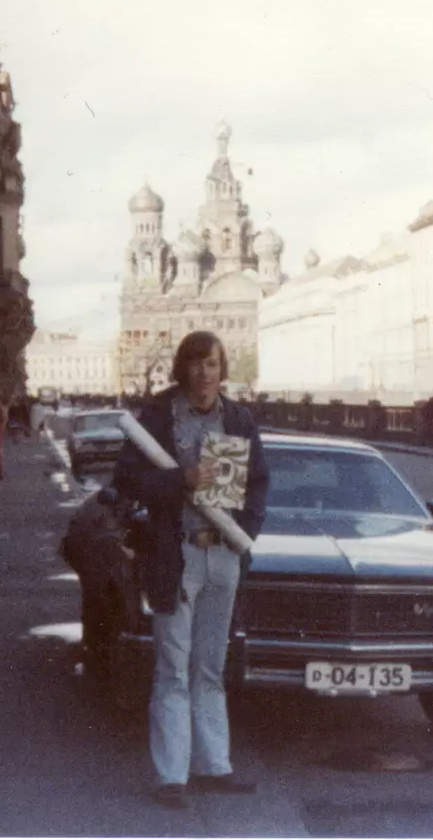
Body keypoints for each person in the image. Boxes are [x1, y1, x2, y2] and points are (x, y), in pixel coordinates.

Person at [112, 331, 269, 811]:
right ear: (184, 367)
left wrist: (244, 533)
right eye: (197, 363)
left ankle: (215, 765)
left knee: (210, 665)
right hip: (174, 554)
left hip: (222, 555)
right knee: (173, 667)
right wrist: (178, 479)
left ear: (224, 370)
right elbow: (126, 479)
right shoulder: (159, 416)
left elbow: (258, 483)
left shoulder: (239, 418)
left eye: (214, 364)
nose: (205, 372)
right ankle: (171, 775)